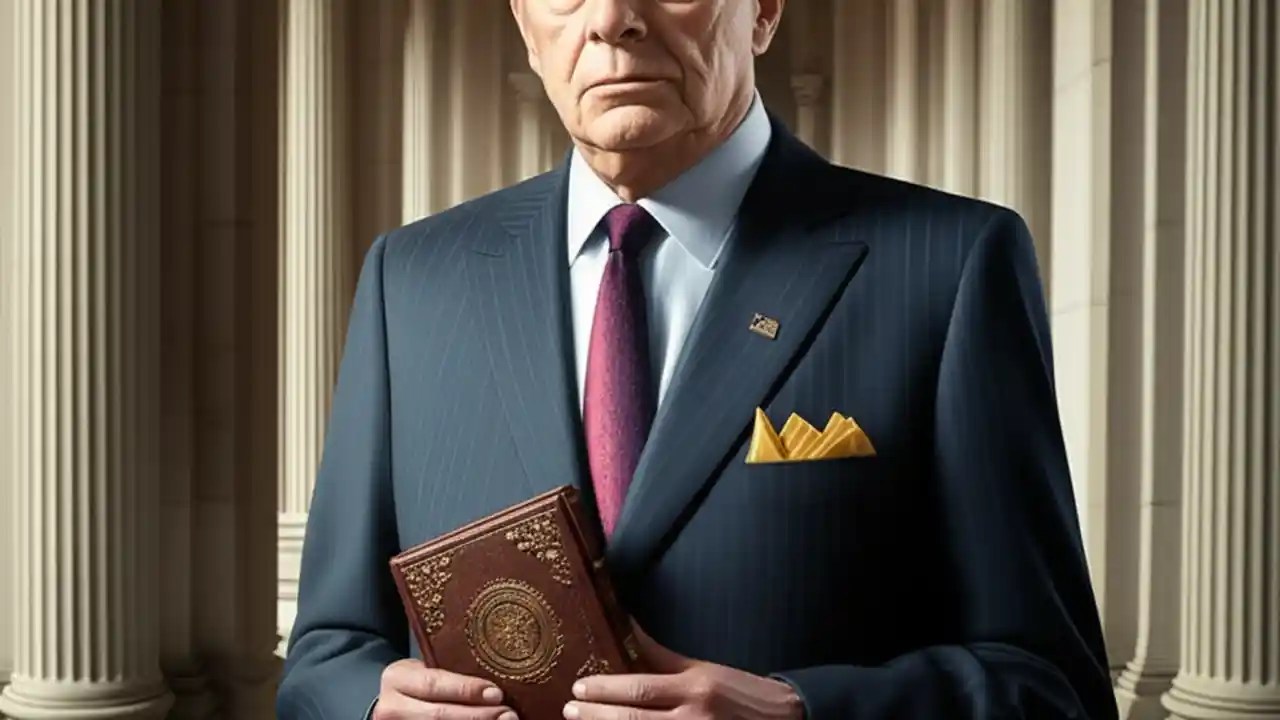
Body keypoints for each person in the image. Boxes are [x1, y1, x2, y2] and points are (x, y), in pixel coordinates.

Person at [277, 1, 1117, 718]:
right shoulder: (410, 279)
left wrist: (802, 708)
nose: (612, 21)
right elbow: (325, 656)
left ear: (763, 9)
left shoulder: (951, 262)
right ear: (525, 28)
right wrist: (374, 702)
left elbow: (1053, 685)